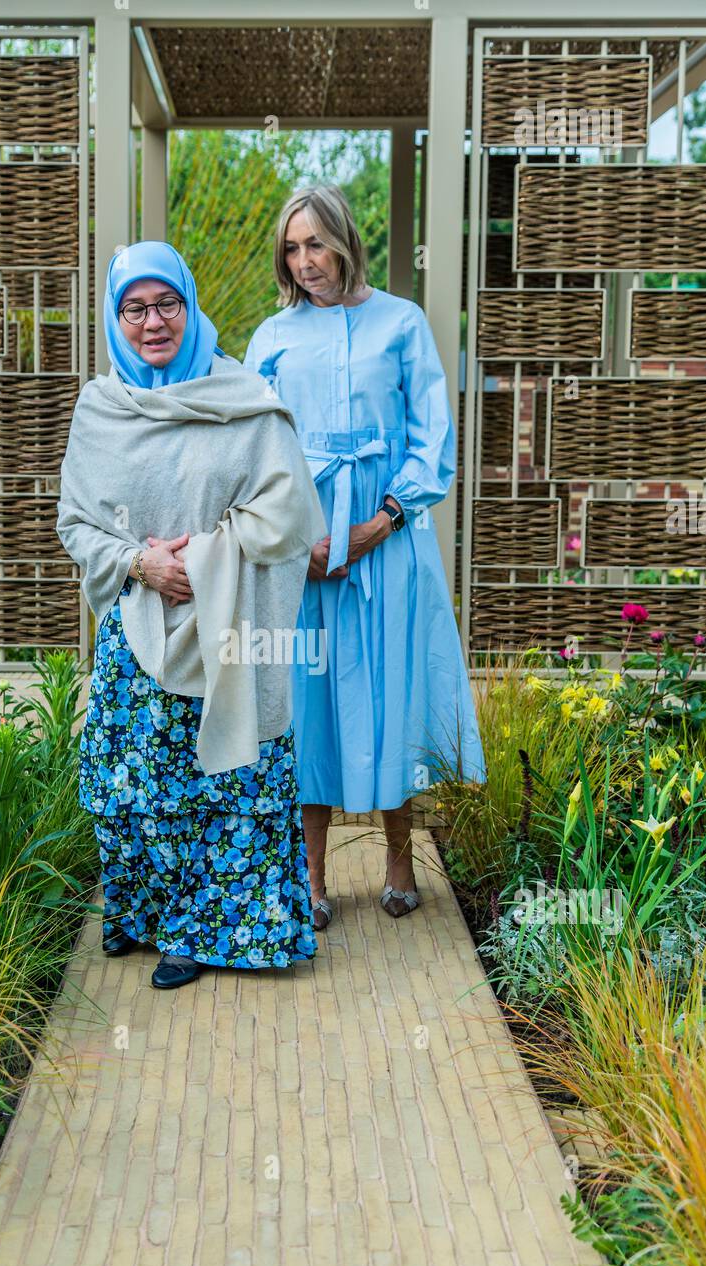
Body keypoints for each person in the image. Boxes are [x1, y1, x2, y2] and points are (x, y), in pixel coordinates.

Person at [57, 241, 327, 989]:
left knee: (222, 783)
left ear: (190, 304)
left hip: (227, 632)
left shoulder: (243, 397)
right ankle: (143, 917)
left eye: (166, 303)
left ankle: (203, 935)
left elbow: (289, 511)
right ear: (115, 318)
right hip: (138, 626)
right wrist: (142, 564)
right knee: (136, 788)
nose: (152, 322)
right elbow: (76, 524)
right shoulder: (100, 407)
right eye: (134, 307)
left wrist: (205, 561)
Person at [243, 185, 486, 930]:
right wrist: (295, 541)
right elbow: (253, 448)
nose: (305, 261)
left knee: (393, 694)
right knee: (306, 704)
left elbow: (431, 438)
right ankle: (311, 875)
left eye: (316, 243)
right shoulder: (271, 336)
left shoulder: (401, 323)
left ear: (344, 240)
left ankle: (397, 859)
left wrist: (378, 522)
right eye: (292, 247)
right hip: (303, 550)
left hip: (388, 545)